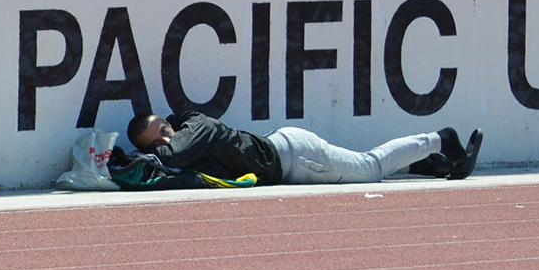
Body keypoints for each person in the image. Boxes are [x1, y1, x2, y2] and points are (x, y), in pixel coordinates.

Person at [127, 111, 483, 186]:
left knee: (370, 167)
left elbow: (172, 156)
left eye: (163, 131)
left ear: (170, 122)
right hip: (291, 155)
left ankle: (442, 140)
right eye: (155, 142)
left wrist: (145, 155)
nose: (163, 141)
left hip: (299, 160)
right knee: (363, 166)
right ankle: (427, 165)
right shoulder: (187, 140)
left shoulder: (195, 127)